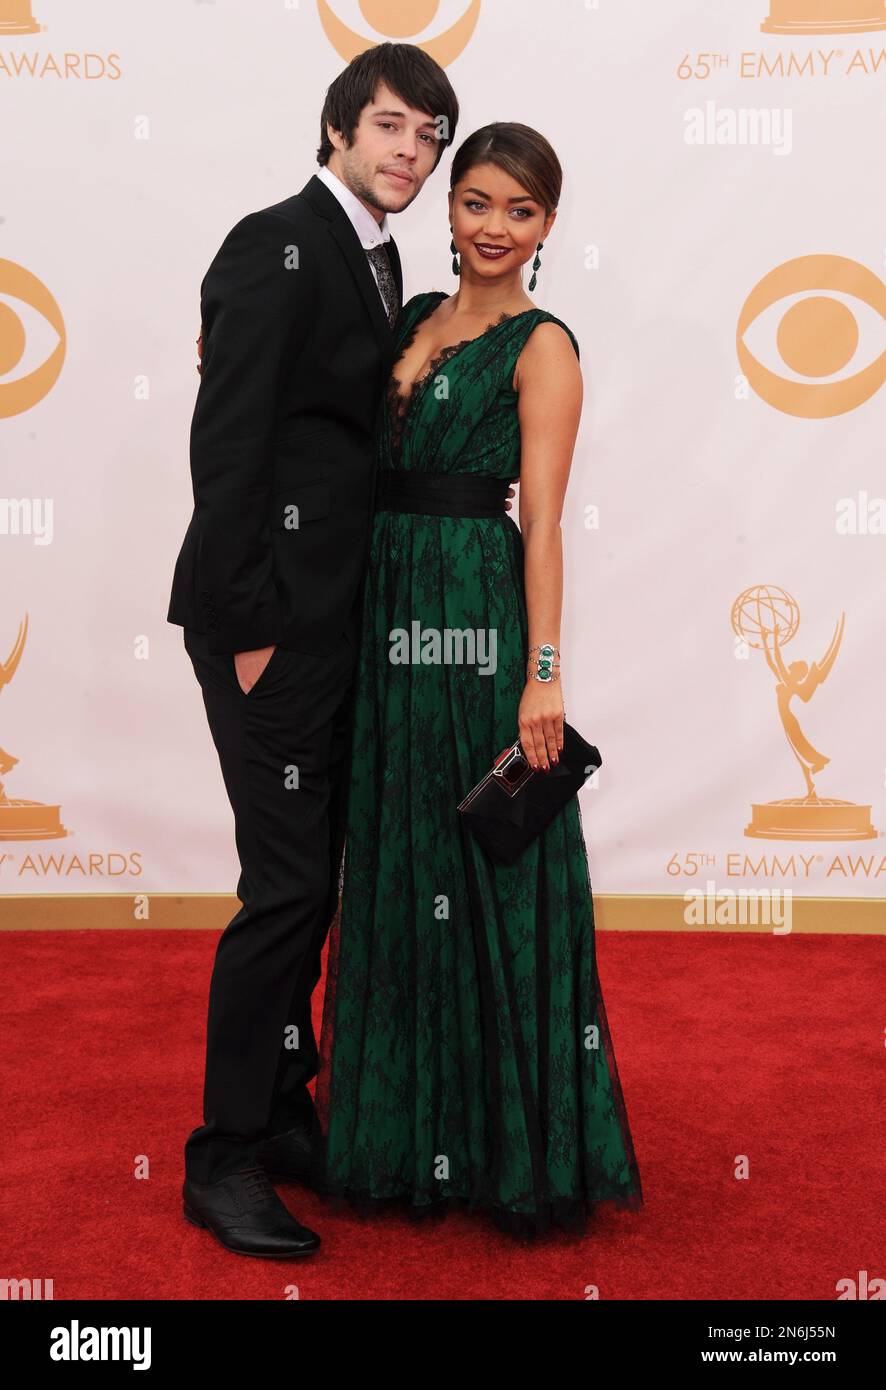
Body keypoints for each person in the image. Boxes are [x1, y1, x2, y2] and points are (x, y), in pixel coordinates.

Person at [310, 123, 644, 1237]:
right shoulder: (410, 317)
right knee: (402, 851)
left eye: (520, 210)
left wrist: (542, 675)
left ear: (548, 226)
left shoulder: (542, 345)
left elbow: (542, 522)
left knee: (482, 855)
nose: (494, 228)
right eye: (477, 203)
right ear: (447, 210)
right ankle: (407, 1138)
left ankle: (512, 1147)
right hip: (386, 608)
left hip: (474, 613)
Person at [166, 43, 463, 1259]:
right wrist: (247, 632)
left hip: (333, 626)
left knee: (315, 883)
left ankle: (286, 1112)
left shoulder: (378, 260)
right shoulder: (273, 240)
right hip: (268, 631)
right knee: (285, 887)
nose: (408, 150)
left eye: (427, 135)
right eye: (388, 125)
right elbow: (227, 447)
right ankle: (222, 1156)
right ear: (337, 129)